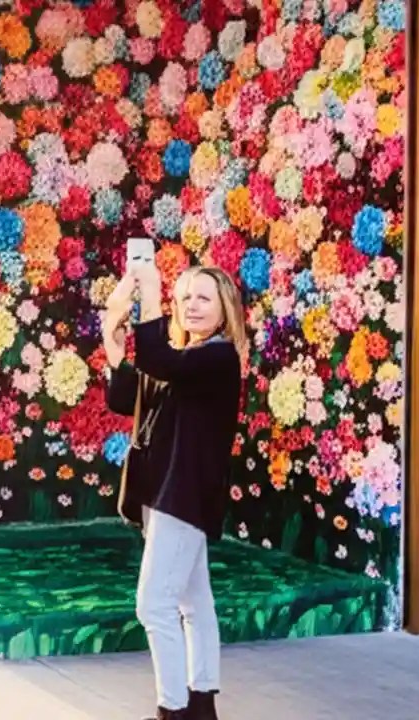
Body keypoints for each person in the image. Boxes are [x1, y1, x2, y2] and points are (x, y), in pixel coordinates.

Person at [101, 264, 246, 720]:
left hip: (181, 497)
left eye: (203, 297)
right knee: (192, 602)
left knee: (153, 605)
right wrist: (112, 341)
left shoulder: (218, 358)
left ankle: (173, 710)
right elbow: (126, 399)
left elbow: (163, 364)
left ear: (225, 310)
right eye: (183, 298)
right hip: (163, 493)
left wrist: (148, 290)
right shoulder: (183, 358)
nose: (191, 306)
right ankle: (200, 703)